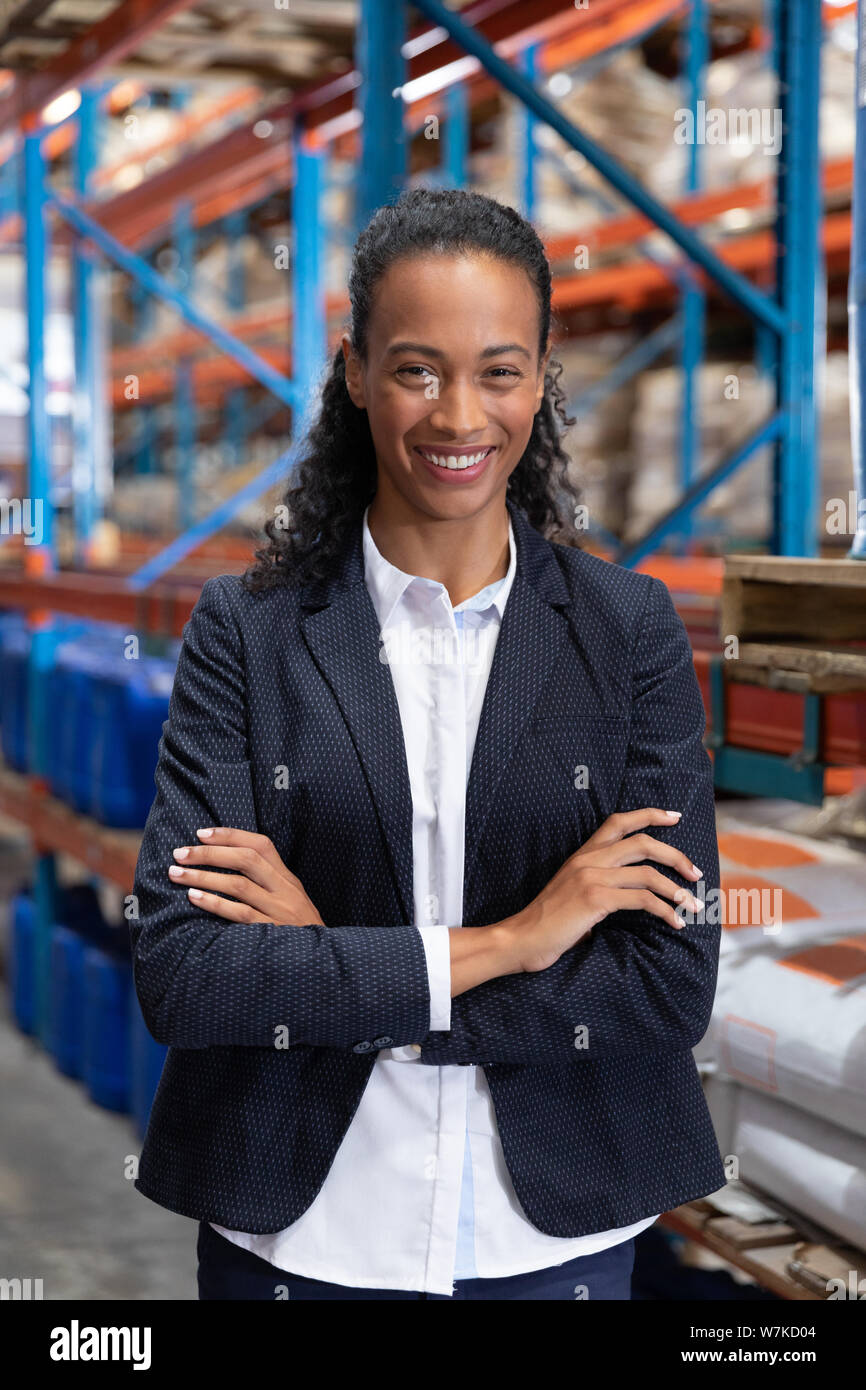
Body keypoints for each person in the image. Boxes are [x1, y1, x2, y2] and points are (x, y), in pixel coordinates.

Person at [130, 187, 726, 1301]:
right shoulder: (248, 632)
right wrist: (517, 937)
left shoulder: (627, 631)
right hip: (301, 1234)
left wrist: (340, 964)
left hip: (544, 1239)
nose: (458, 416)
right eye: (416, 369)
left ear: (542, 374)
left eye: (497, 370)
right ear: (355, 372)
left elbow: (661, 986)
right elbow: (188, 973)